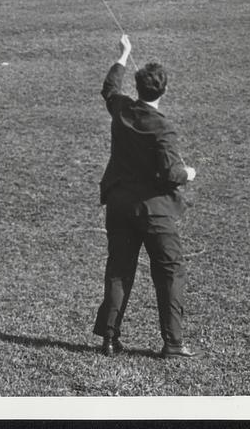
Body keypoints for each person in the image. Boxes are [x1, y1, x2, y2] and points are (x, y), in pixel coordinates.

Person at [93, 34, 200, 358]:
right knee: (169, 272)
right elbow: (171, 174)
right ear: (163, 90)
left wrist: (123, 55)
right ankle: (173, 342)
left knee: (119, 270)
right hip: (156, 211)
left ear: (138, 88)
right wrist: (189, 174)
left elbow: (109, 89)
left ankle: (109, 339)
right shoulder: (162, 127)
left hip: (120, 205)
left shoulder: (122, 109)